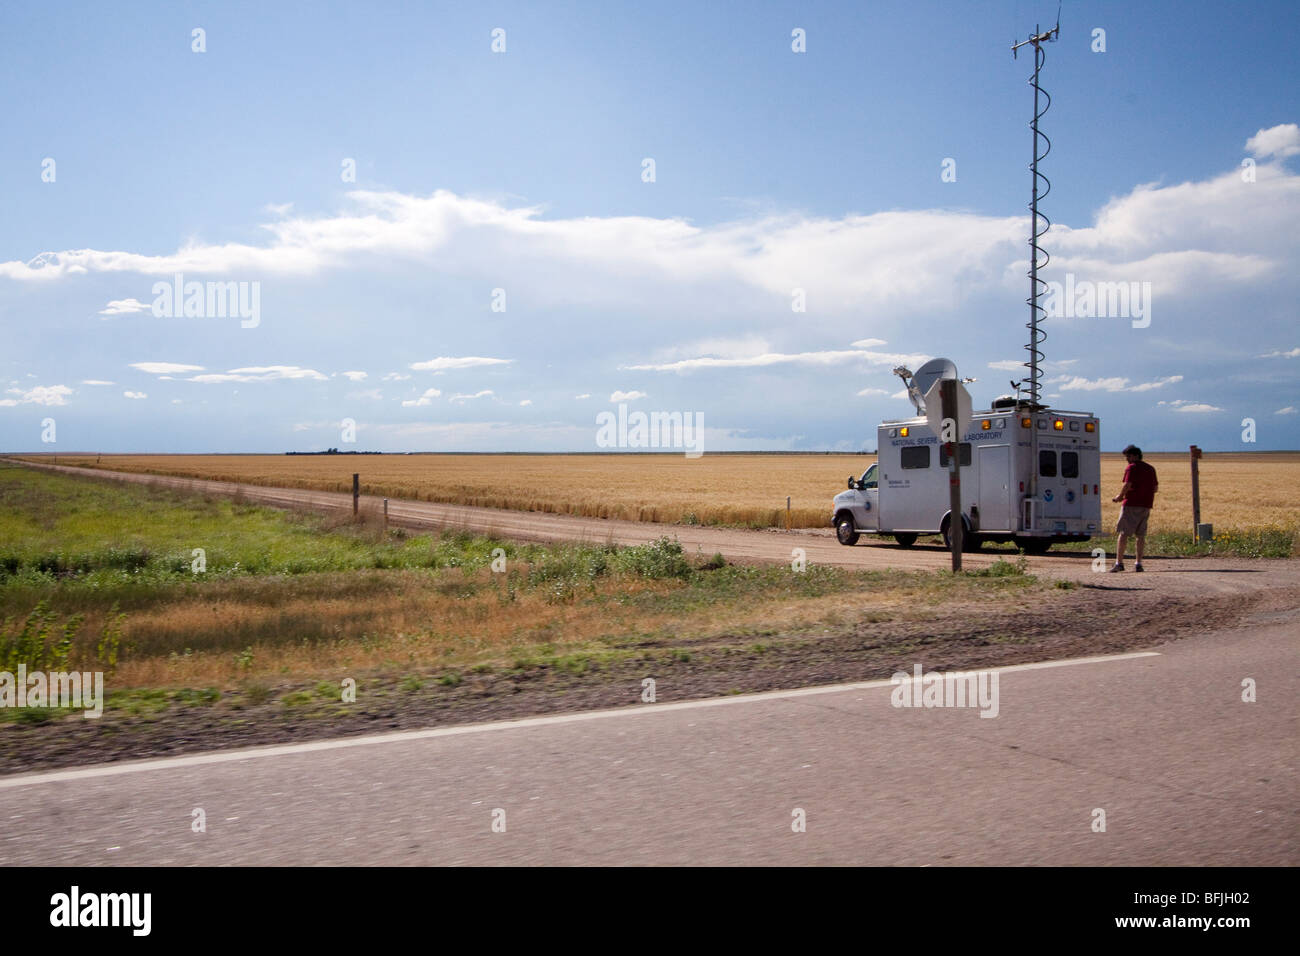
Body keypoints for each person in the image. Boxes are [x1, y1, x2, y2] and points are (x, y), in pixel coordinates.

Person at [1109, 444, 1158, 572]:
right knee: (1140, 535)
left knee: (1123, 534)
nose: (1127, 459)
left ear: (1136, 455)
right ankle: (1138, 563)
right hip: (1146, 505)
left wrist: (1119, 497)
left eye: (1129, 456)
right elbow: (1155, 488)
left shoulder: (1132, 468)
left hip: (1131, 504)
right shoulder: (1150, 468)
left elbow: (1127, 484)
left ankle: (1119, 563)